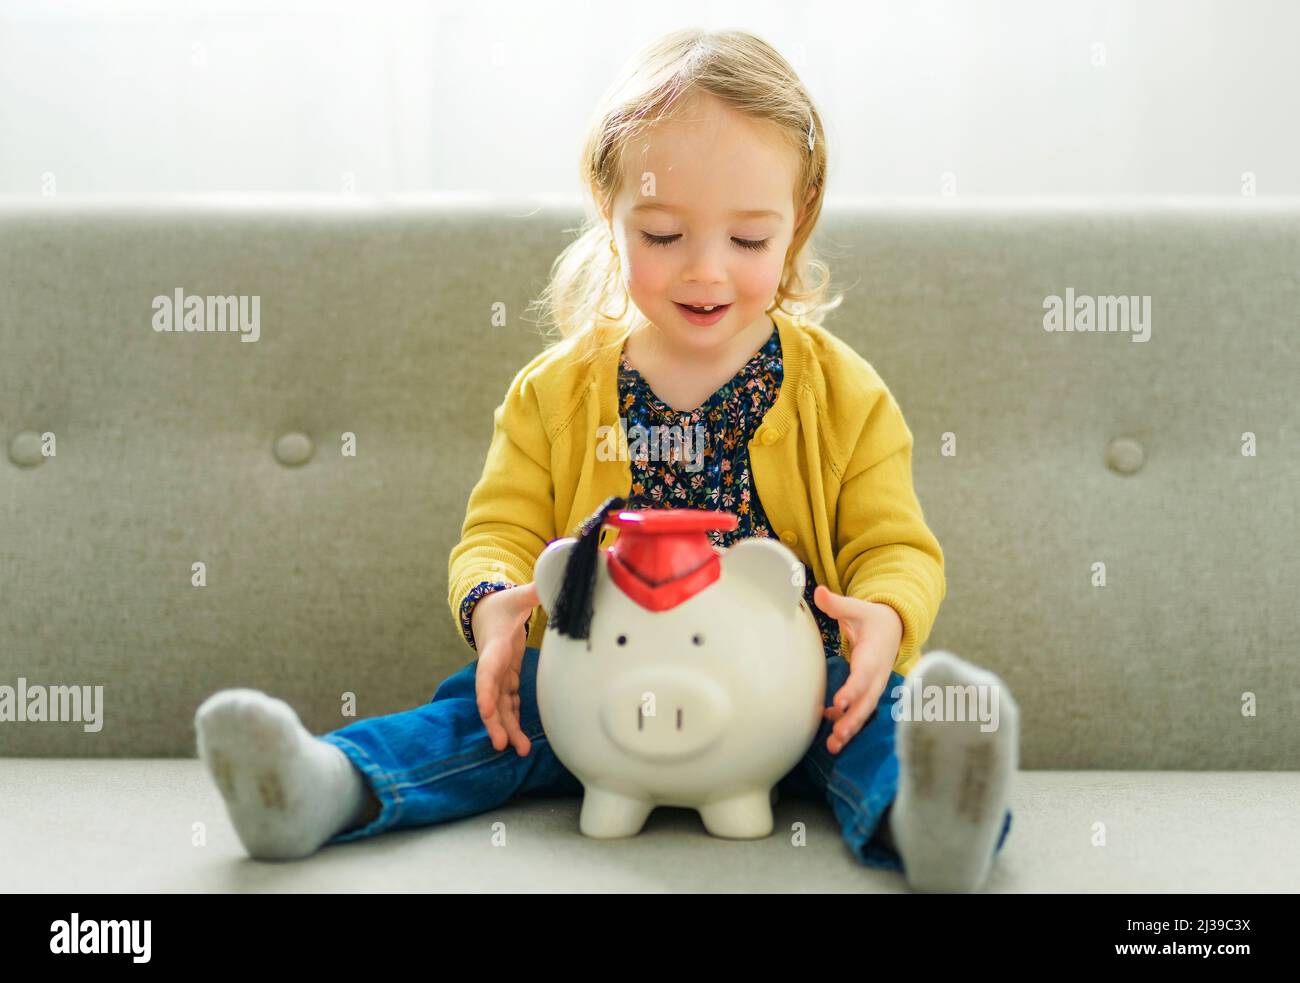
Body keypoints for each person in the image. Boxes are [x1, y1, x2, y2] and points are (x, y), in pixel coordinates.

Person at [195, 28, 1018, 892]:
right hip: (591, 693)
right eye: (662, 234)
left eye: (748, 240)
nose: (706, 272)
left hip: (791, 689)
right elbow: (498, 531)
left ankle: (932, 822)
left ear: (800, 215)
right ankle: (327, 787)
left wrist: (884, 615)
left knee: (880, 719)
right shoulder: (555, 393)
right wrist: (492, 607)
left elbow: (895, 545)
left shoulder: (844, 394)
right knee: (481, 709)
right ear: (609, 207)